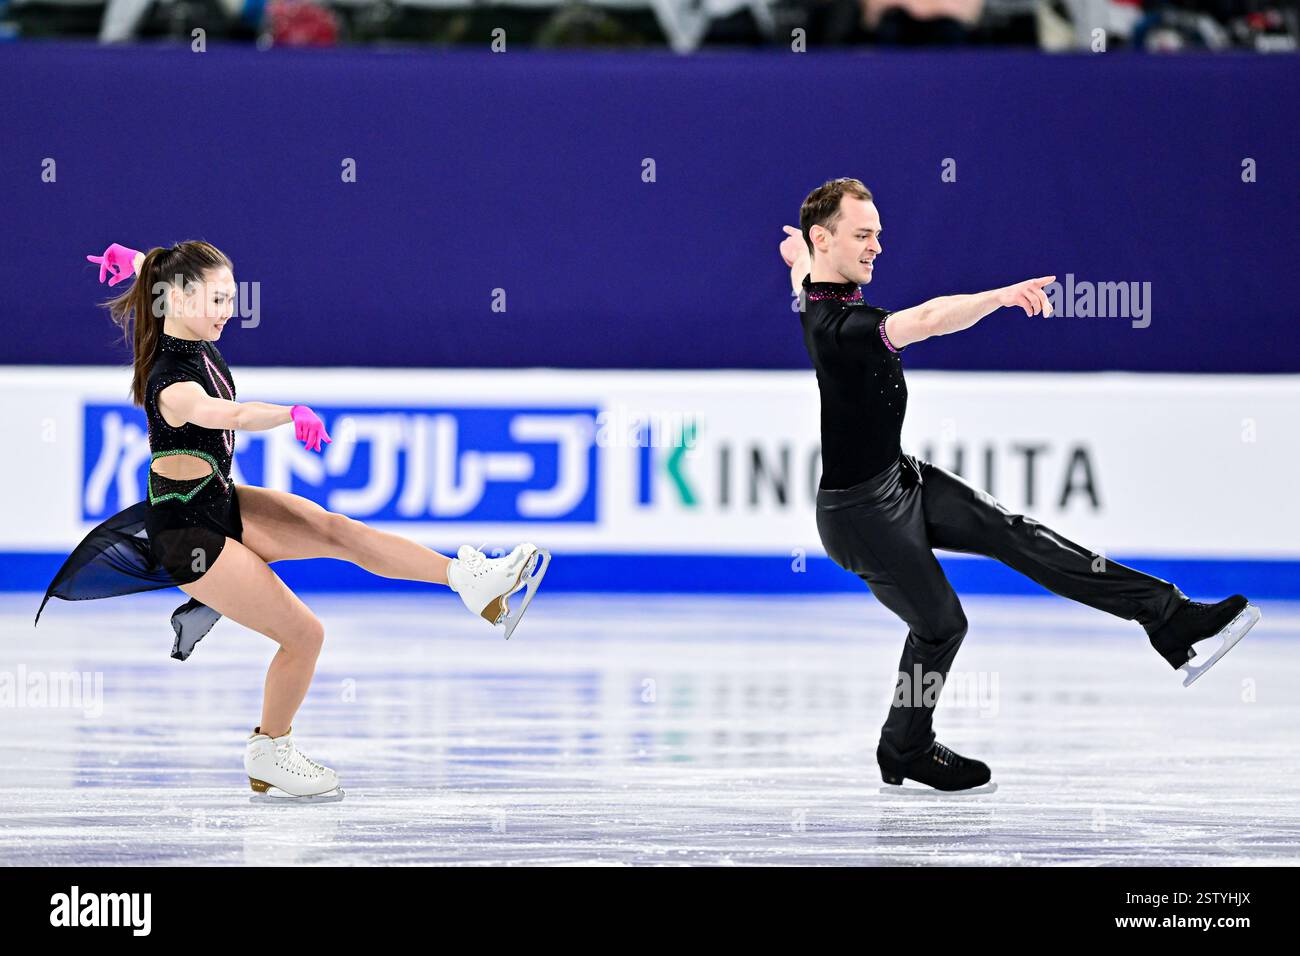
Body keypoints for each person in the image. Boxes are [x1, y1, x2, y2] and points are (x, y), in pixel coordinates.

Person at [780, 178, 1260, 793]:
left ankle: (1167, 616)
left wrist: (799, 260)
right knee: (941, 626)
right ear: (828, 238)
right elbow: (925, 319)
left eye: (878, 233)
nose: (878, 246)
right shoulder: (839, 327)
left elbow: (804, 277)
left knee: (1018, 532)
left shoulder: (816, 290)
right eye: (863, 234)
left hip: (901, 480)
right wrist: (1001, 297)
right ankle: (904, 746)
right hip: (859, 516)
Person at [36, 240, 550, 803]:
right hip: (190, 537)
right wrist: (289, 414)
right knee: (304, 634)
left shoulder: (188, 325)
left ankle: (470, 583)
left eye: (231, 297)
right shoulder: (172, 381)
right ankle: (269, 751)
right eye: (216, 298)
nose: (227, 309)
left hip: (219, 501)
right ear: (179, 299)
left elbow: (154, 274)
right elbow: (226, 414)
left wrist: (135, 261)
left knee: (337, 530)